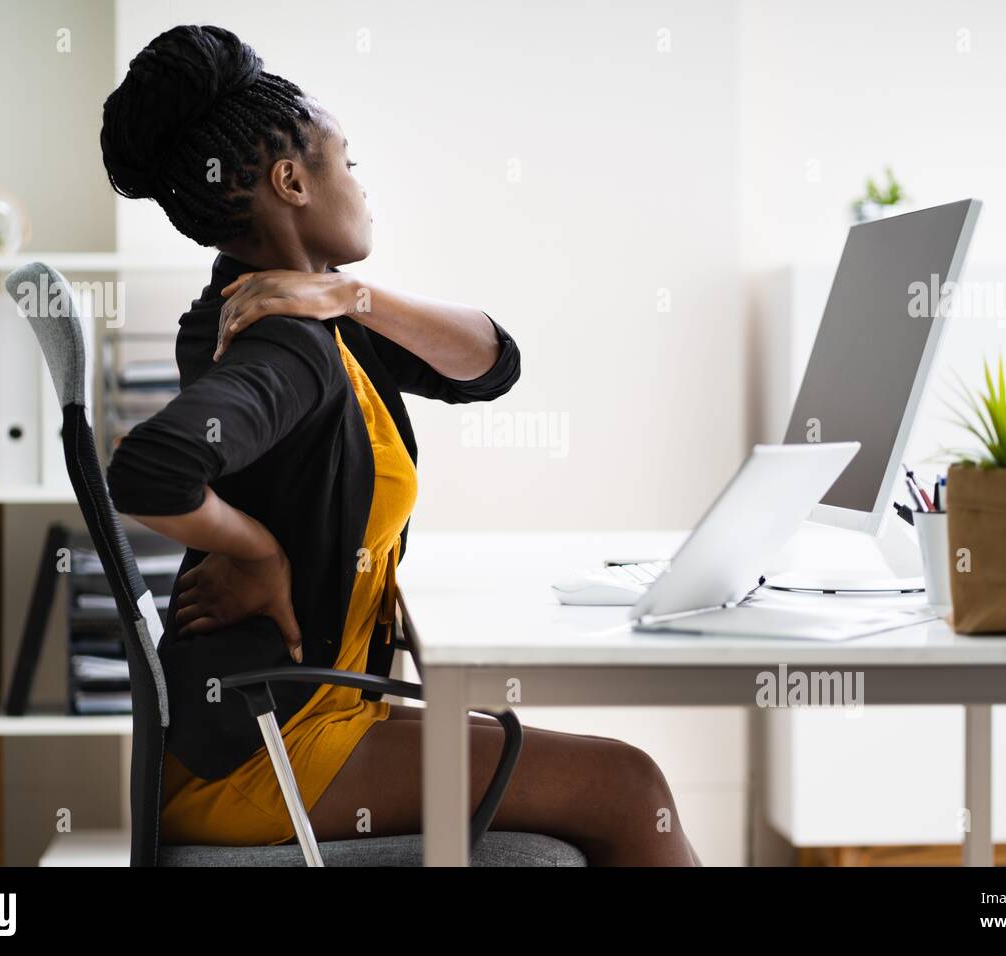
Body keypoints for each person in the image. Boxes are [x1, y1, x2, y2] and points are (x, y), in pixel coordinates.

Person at [100, 24, 699, 866]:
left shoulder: (311, 318)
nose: (362, 187)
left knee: (604, 786)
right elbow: (149, 468)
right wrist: (260, 552)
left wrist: (351, 294)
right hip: (267, 750)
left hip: (297, 711)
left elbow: (491, 363)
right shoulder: (281, 343)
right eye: (348, 162)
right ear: (291, 181)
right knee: (628, 789)